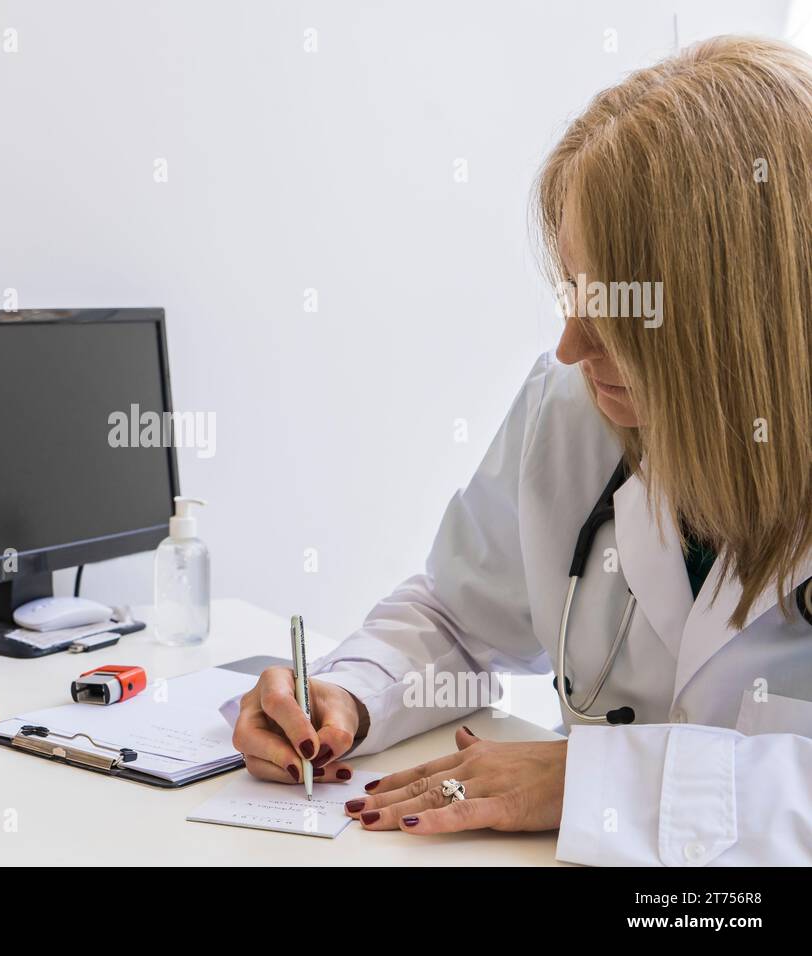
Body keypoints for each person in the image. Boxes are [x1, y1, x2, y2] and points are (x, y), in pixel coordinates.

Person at [230, 34, 812, 866]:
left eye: (615, 306)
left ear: (744, 314)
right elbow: (458, 617)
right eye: (572, 291)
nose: (572, 345)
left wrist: (600, 782)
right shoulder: (572, 410)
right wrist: (346, 696)